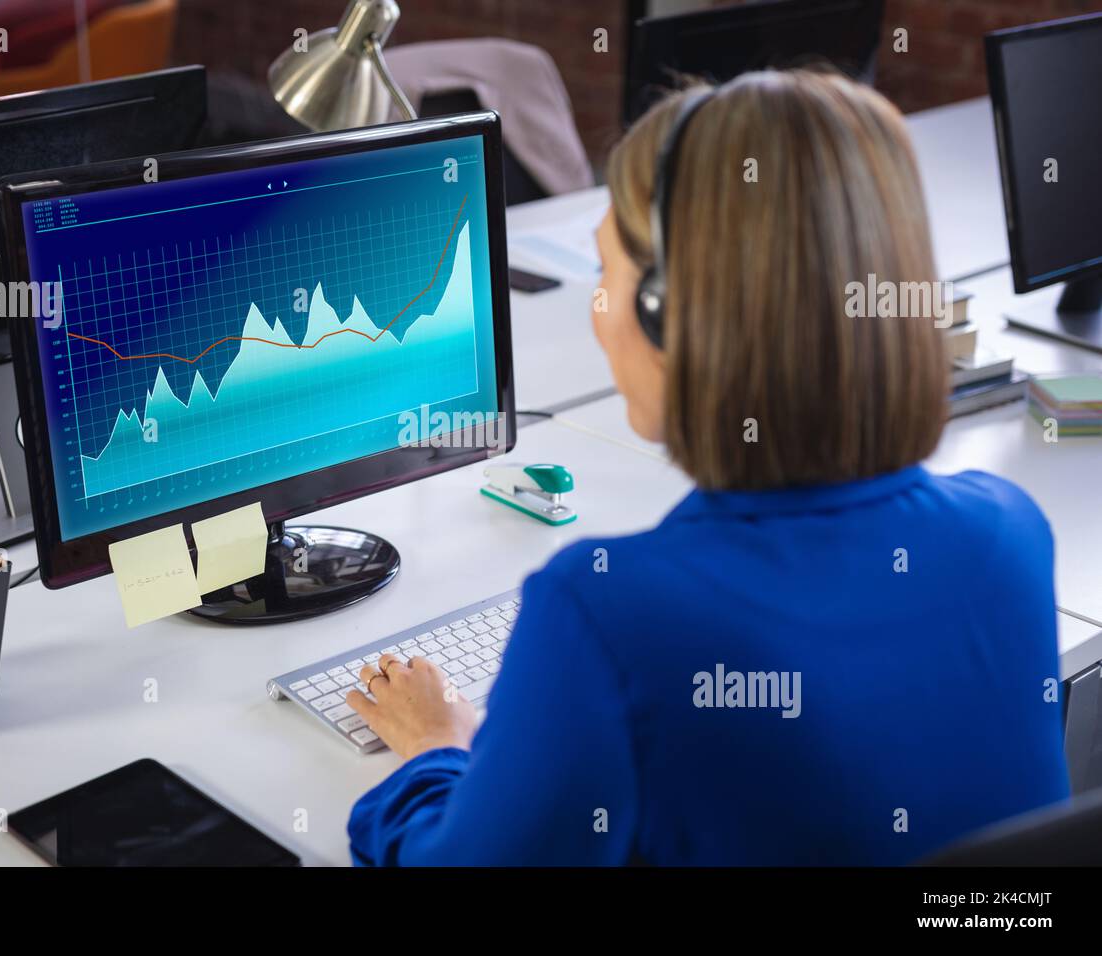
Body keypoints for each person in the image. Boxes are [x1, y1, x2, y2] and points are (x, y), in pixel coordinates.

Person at [344, 70, 1070, 865]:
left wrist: (438, 748)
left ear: (667, 314)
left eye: (605, 274)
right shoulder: (1009, 533)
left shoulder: (607, 612)